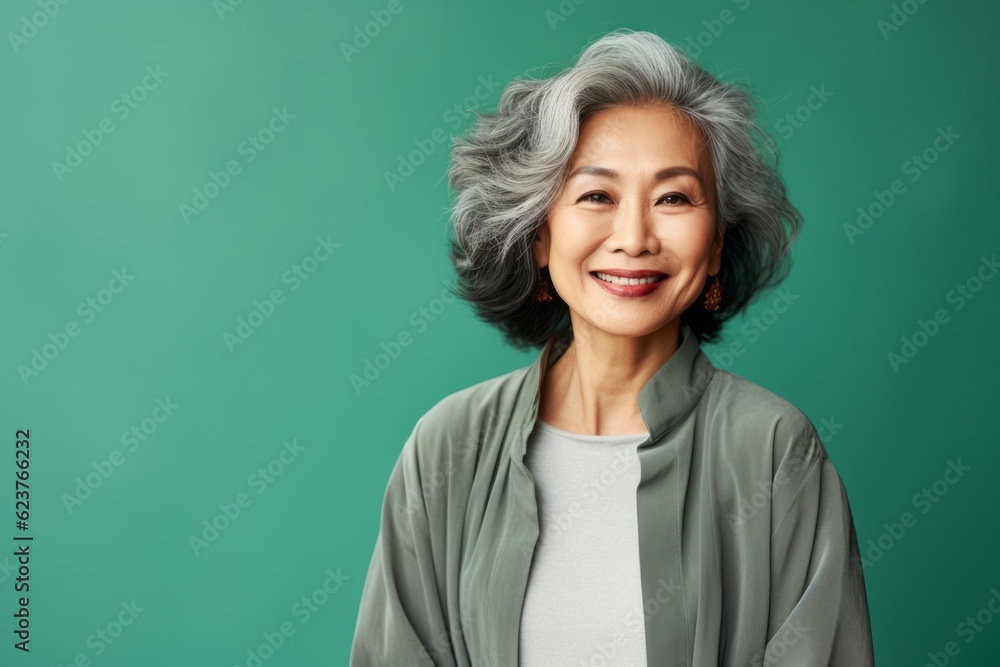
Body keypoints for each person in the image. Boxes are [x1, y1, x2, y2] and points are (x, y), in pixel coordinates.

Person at [350, 28, 874, 666]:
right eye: (597, 195)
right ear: (538, 234)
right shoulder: (448, 448)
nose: (634, 237)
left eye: (673, 198)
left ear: (714, 246)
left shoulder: (772, 451)